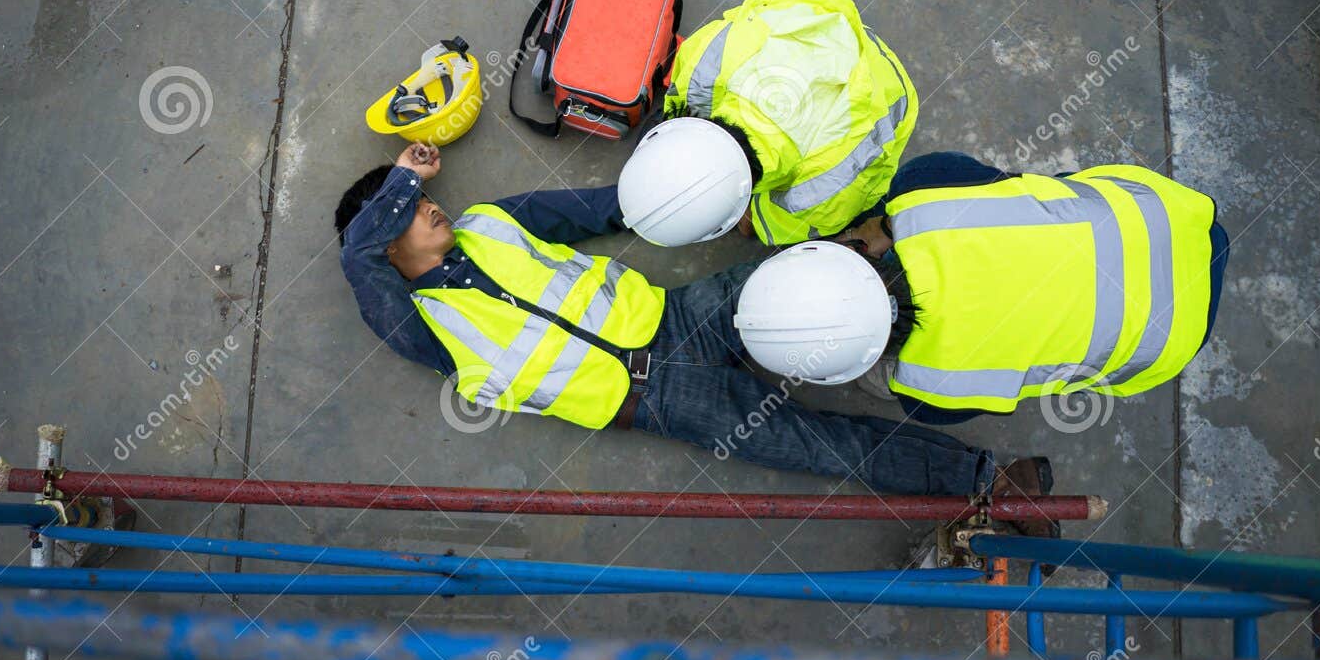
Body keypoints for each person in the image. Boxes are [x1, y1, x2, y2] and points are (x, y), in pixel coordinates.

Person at [335, 142, 1053, 506]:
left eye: (423, 198)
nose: (430, 206)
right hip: (661, 403)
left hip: (684, 317)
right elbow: (358, 254)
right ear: (387, 245)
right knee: (823, 445)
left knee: (831, 269)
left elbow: (607, 206)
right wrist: (401, 179)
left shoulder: (490, 222)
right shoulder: (420, 325)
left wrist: (709, 187)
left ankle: (976, 257)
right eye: (409, 210)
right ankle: (989, 482)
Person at [827, 152, 1229, 425]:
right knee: (1027, 194)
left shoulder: (928, 391)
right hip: (1165, 214)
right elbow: (959, 173)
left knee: (880, 383)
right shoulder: (920, 189)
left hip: (1172, 336)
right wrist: (883, 226)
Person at [622, 0, 919, 246]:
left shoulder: (817, 195)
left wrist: (754, 218)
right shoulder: (702, 68)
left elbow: (763, 226)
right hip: (826, 27)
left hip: (889, 89)